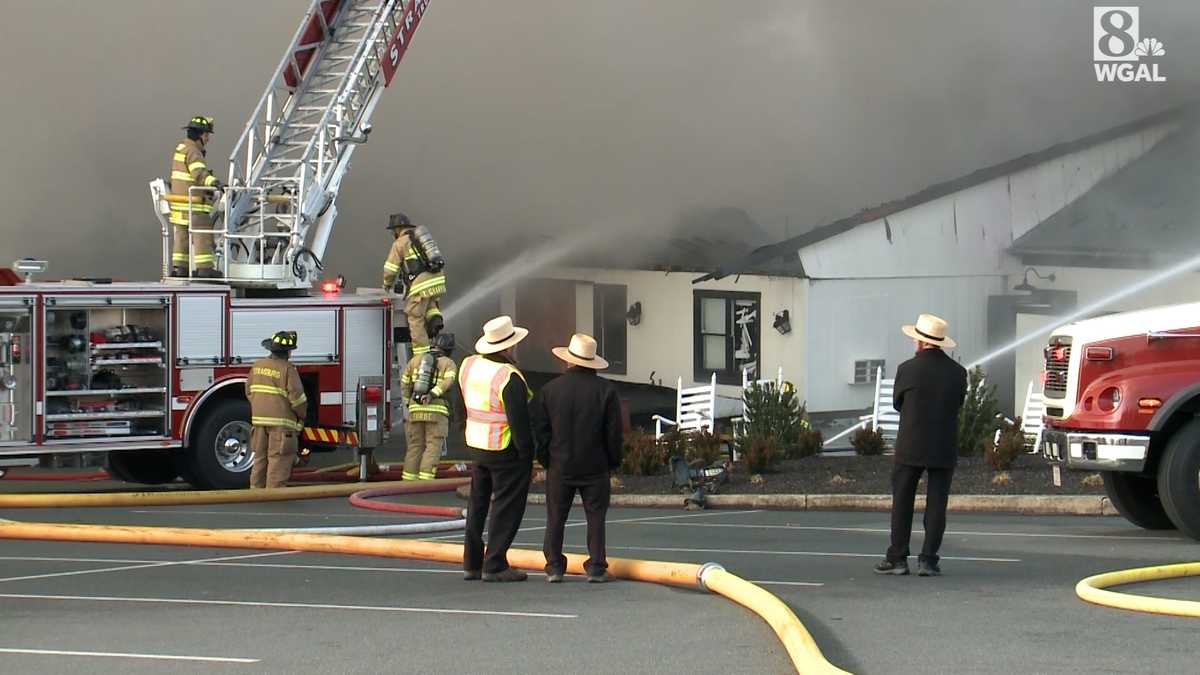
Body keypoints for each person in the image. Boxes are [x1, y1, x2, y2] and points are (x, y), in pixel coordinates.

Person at [875, 314, 967, 577]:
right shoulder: (958, 372)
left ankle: (897, 558)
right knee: (937, 504)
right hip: (943, 444)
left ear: (919, 342)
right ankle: (928, 560)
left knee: (902, 501)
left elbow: (898, 403)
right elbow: (959, 403)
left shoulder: (907, 369)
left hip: (911, 443)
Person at [533, 333, 623, 583]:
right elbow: (614, 433)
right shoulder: (606, 391)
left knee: (556, 516)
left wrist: (546, 459)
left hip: (560, 463)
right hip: (595, 464)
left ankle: (554, 566)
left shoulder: (550, 390)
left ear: (568, 360)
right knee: (596, 516)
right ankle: (596, 566)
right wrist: (613, 461)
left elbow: (541, 431)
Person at [458, 316, 535, 582]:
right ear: (507, 347)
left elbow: (460, 406)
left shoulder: (468, 365)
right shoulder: (509, 377)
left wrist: (464, 431)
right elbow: (519, 423)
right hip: (504, 450)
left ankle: (471, 563)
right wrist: (528, 457)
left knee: (477, 504)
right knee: (506, 506)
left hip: (476, 445)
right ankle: (495, 564)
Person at [246, 331, 307, 489]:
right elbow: (297, 399)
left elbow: (249, 392)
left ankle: (255, 494)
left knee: (259, 460)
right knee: (278, 462)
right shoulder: (288, 369)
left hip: (259, 423)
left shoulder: (257, 366)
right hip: (281, 427)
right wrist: (301, 417)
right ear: (288, 352)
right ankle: (274, 498)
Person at [381, 212, 445, 355]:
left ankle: (421, 354)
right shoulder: (419, 238)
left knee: (415, 317)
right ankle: (435, 319)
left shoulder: (399, 243)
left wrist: (386, 285)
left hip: (421, 284)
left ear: (397, 229)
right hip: (437, 279)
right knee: (429, 305)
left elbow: (390, 269)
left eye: (393, 231)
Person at [169, 115, 223, 279]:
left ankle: (180, 269)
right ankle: (204, 269)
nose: (208, 139)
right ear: (199, 135)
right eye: (206, 135)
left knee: (181, 237)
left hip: (180, 204)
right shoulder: (193, 151)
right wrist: (215, 183)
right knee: (202, 234)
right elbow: (199, 174)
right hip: (194, 205)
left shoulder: (181, 148)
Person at [400, 332, 458, 481]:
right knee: (433, 445)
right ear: (449, 349)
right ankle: (426, 481)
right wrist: (432, 394)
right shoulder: (449, 363)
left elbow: (404, 382)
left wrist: (408, 402)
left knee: (415, 445)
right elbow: (447, 383)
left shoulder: (415, 360)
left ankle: (408, 480)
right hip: (436, 412)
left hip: (415, 409)